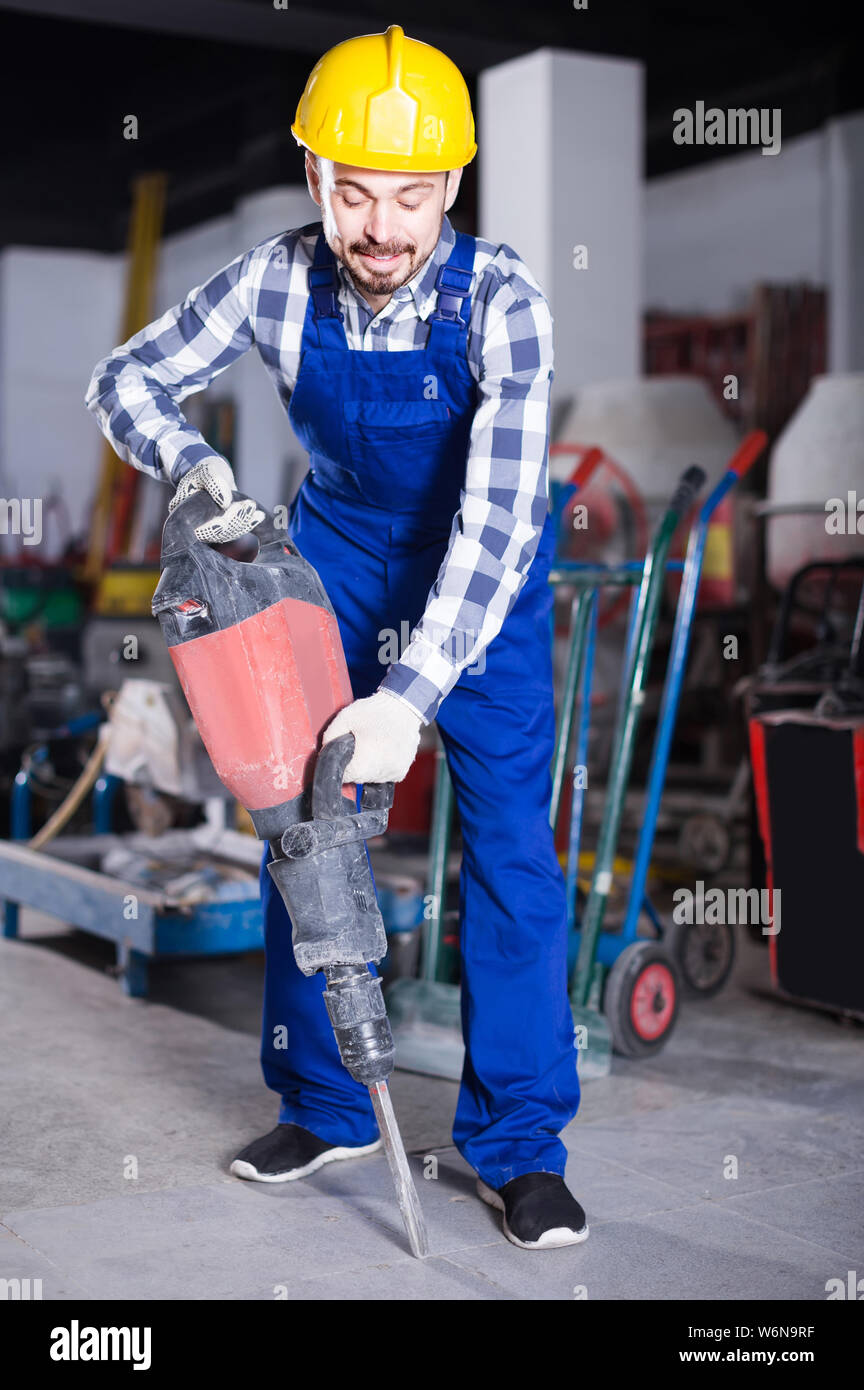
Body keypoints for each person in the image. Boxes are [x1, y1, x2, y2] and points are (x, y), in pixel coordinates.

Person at [87, 25, 586, 1251]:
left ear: (452, 189)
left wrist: (412, 692)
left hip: (487, 585)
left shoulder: (506, 306)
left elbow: (497, 518)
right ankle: (324, 1103)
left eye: (411, 197)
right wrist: (197, 464)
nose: (381, 227)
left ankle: (519, 1145)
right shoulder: (276, 279)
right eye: (354, 192)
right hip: (338, 565)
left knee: (513, 854)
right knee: (303, 822)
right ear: (317, 181)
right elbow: (126, 381)